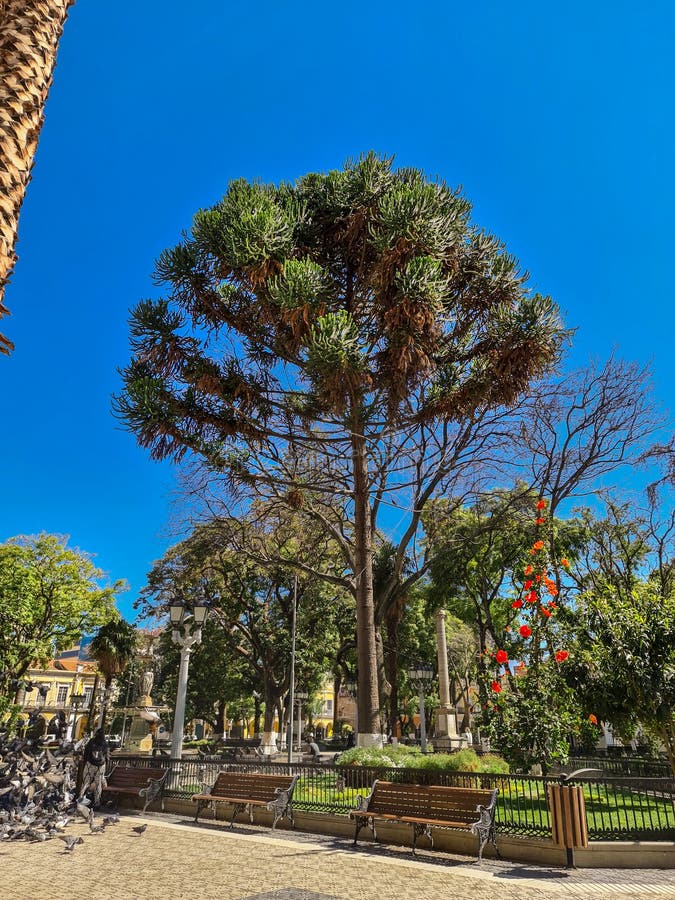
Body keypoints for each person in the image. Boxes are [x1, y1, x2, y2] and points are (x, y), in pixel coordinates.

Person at [80, 728, 109, 807]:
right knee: (98, 784)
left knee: (85, 783)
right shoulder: (104, 743)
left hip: (90, 764)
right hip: (100, 766)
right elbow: (107, 756)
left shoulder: (92, 741)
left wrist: (85, 761)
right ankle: (97, 802)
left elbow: (86, 752)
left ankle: (81, 801)